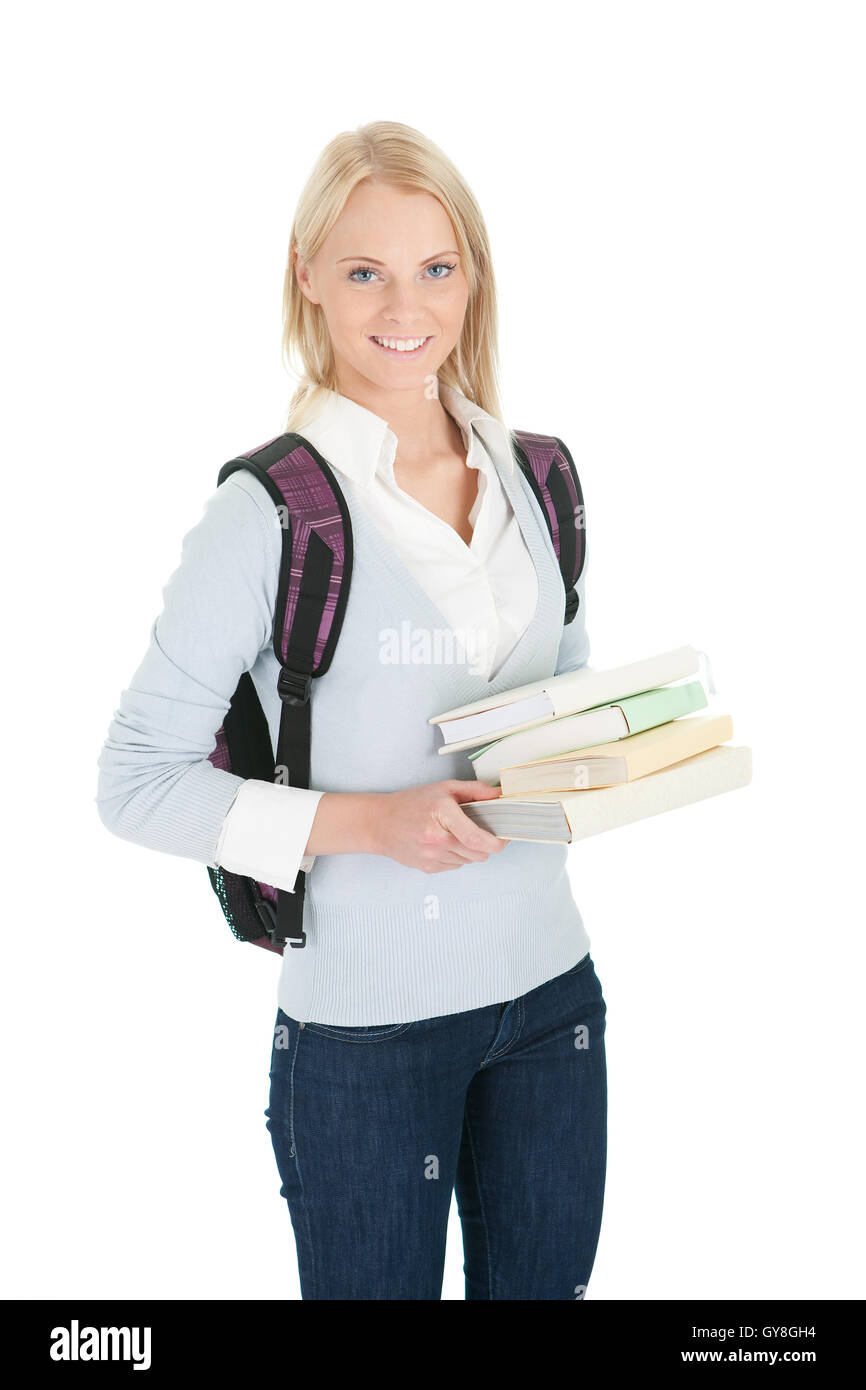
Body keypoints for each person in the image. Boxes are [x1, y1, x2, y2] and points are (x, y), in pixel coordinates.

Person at [96, 120, 607, 1301]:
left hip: (551, 1004)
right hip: (366, 1042)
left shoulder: (541, 478)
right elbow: (135, 778)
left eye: (436, 266)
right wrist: (374, 824)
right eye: (365, 268)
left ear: (472, 278)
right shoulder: (268, 512)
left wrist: (621, 755)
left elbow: (560, 706)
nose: (404, 303)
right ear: (307, 273)